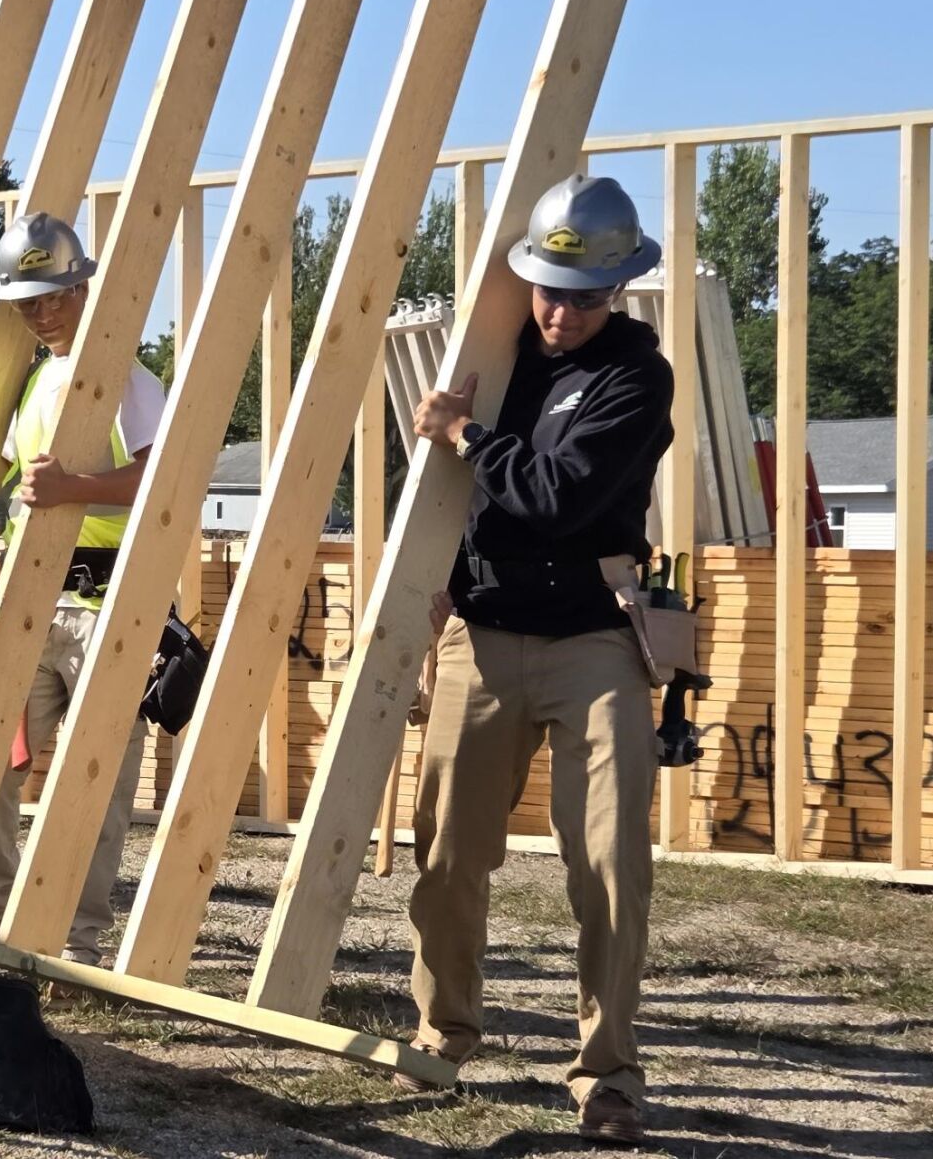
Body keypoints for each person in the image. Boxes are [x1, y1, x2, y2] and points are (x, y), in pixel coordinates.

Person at [404, 173, 672, 1145]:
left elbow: (556, 496)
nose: (560, 313)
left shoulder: (636, 376)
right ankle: (442, 1030)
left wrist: (467, 434)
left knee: (608, 859)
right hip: (481, 632)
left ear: (618, 293)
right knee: (444, 851)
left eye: (583, 298)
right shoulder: (497, 350)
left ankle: (607, 1075)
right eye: (547, 291)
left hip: (594, 639)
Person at [0, 212, 166, 985]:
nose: (45, 311)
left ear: (84, 284)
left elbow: (162, 476)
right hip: (33, 601)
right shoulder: (31, 382)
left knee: (95, 778)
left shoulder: (129, 377)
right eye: (31, 300)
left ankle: (77, 940)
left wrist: (77, 489)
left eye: (56, 293)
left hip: (107, 602)